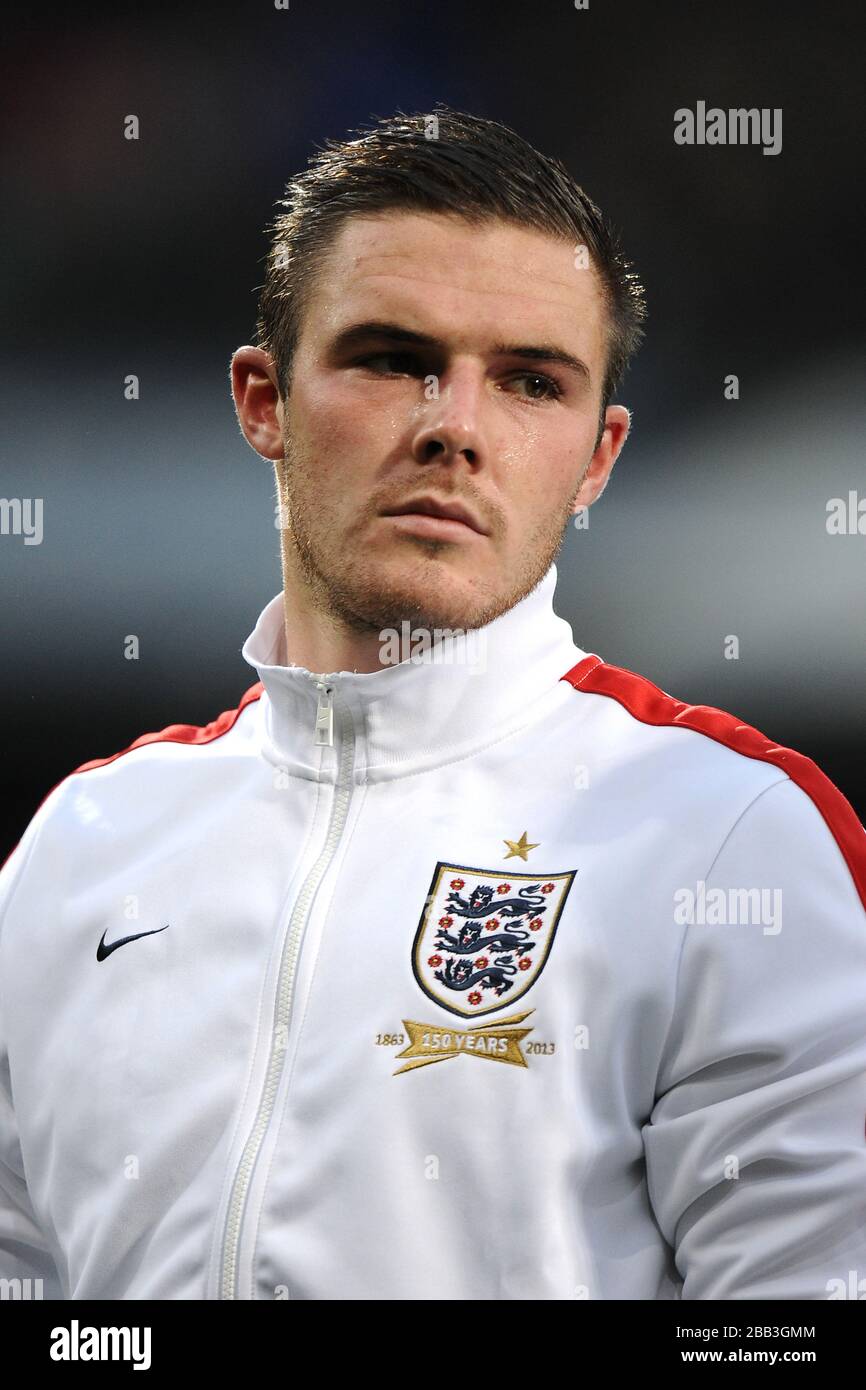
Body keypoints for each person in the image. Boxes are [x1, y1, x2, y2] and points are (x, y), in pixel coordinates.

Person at [1, 105, 865, 1302]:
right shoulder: (80, 848)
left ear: (597, 458)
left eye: (527, 382)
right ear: (263, 400)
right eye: (394, 359)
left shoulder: (726, 835)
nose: (454, 428)